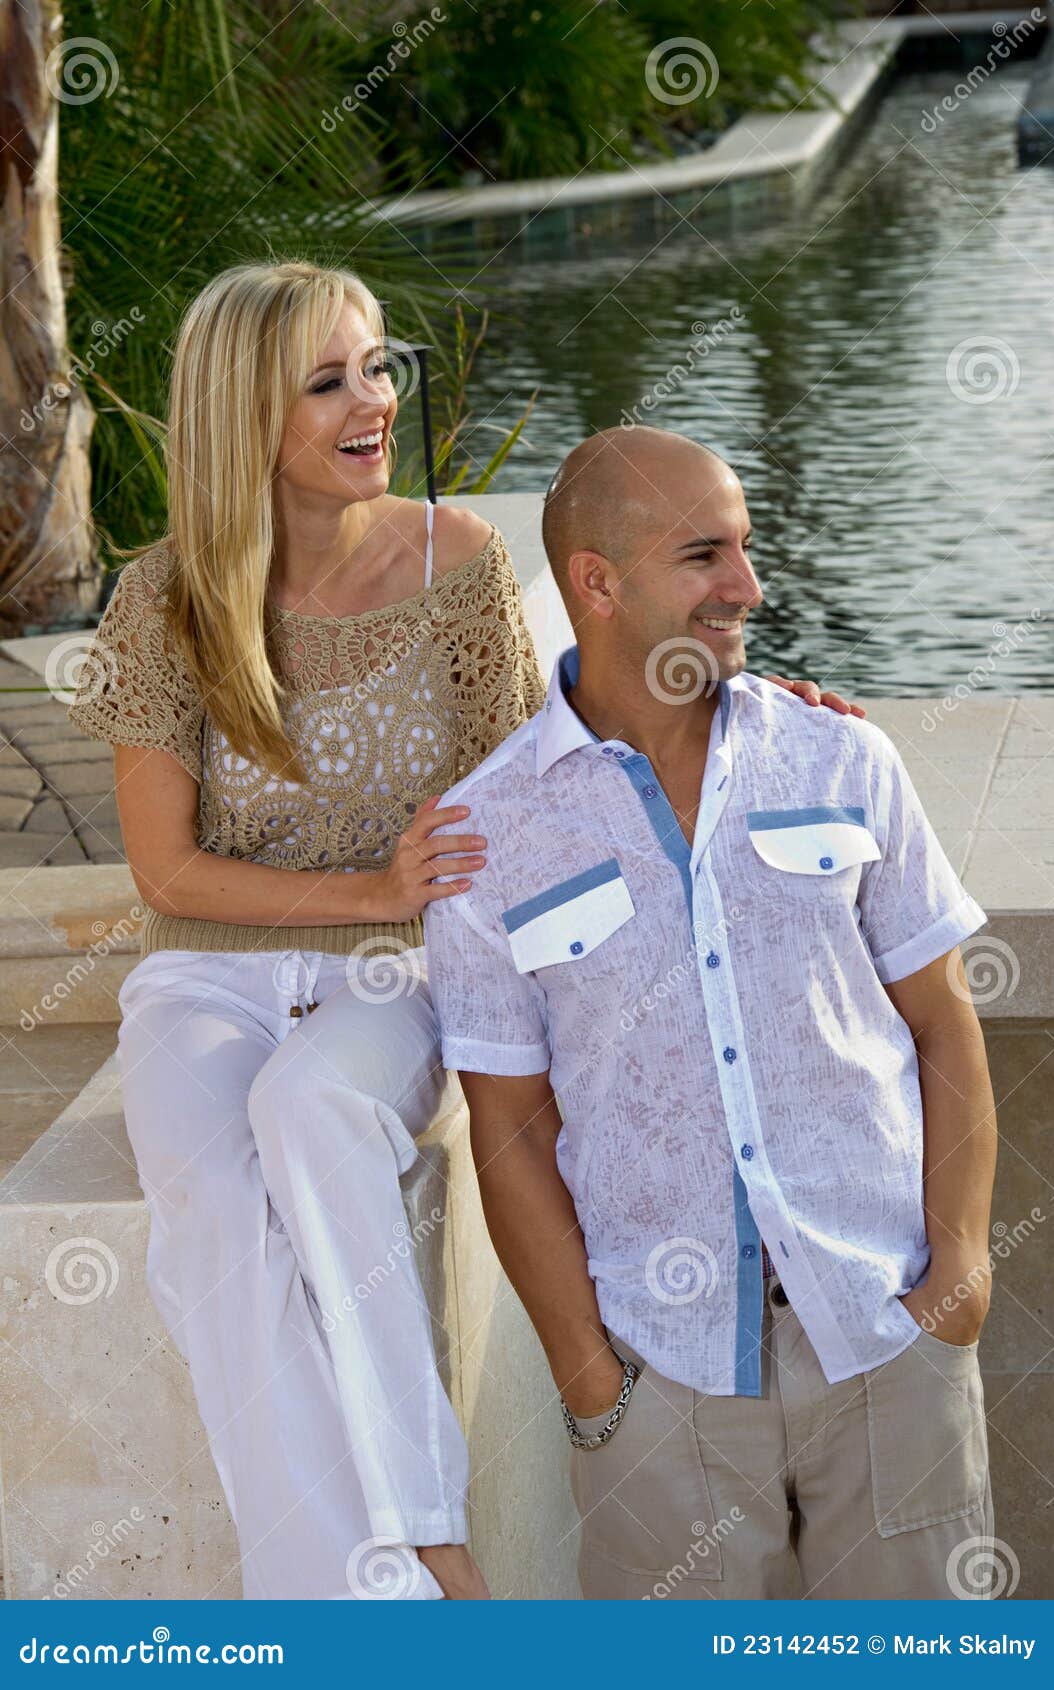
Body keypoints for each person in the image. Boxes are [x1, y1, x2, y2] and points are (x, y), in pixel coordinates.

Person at [68, 261, 857, 1600]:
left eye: (377, 366)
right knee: (210, 1215)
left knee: (313, 1114)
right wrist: (371, 884)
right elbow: (169, 870)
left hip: (401, 973)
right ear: (241, 415)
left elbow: (547, 759)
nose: (372, 401)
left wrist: (729, 705)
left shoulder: (456, 562)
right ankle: (363, 1604)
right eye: (327, 381)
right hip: (208, 974)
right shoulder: (165, 598)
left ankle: (430, 1528)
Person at [423, 424, 998, 1601]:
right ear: (598, 581)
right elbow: (510, 1130)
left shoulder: (841, 760)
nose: (748, 586)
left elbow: (944, 1024)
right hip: (661, 1385)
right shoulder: (488, 840)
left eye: (742, 547)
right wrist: (592, 1378)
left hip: (887, 1340)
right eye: (705, 556)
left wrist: (961, 1273)